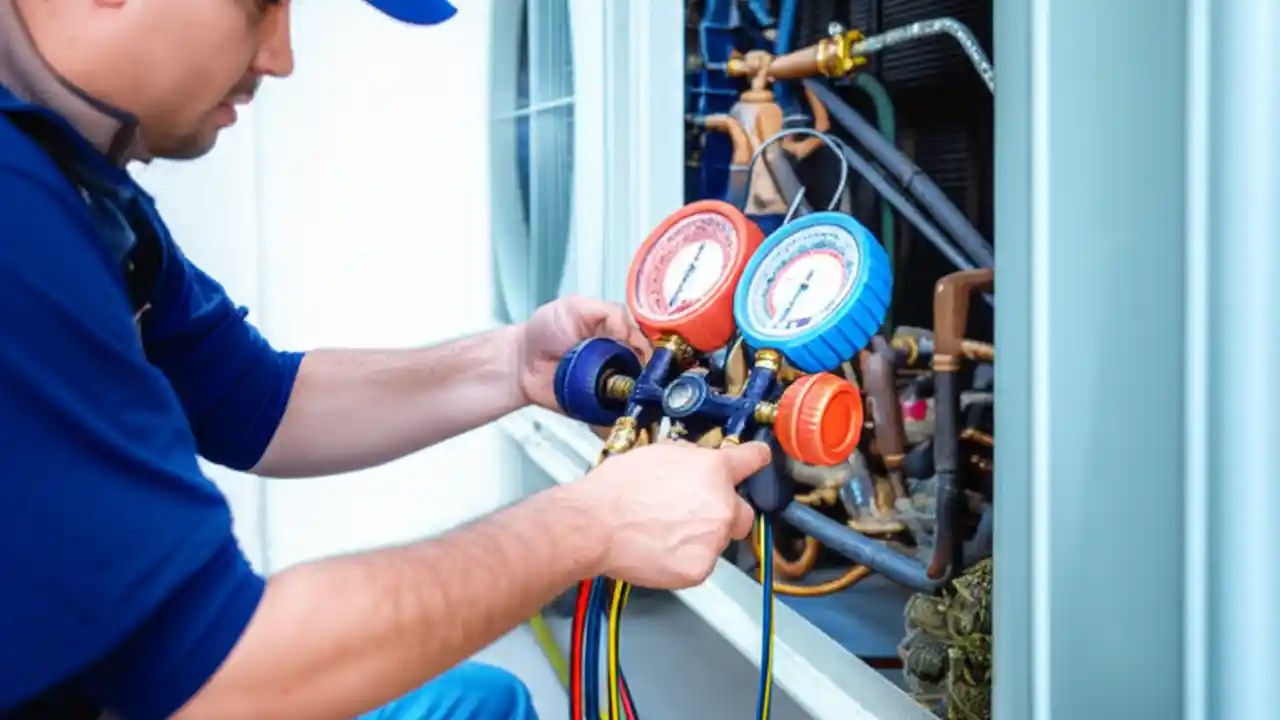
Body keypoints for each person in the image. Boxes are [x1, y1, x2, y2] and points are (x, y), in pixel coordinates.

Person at [0, 0, 773, 718]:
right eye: (261, 3)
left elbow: (256, 403)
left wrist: (510, 366)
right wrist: (592, 523)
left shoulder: (78, 182)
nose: (281, 56)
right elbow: (222, 677)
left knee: (480, 704)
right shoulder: (17, 211)